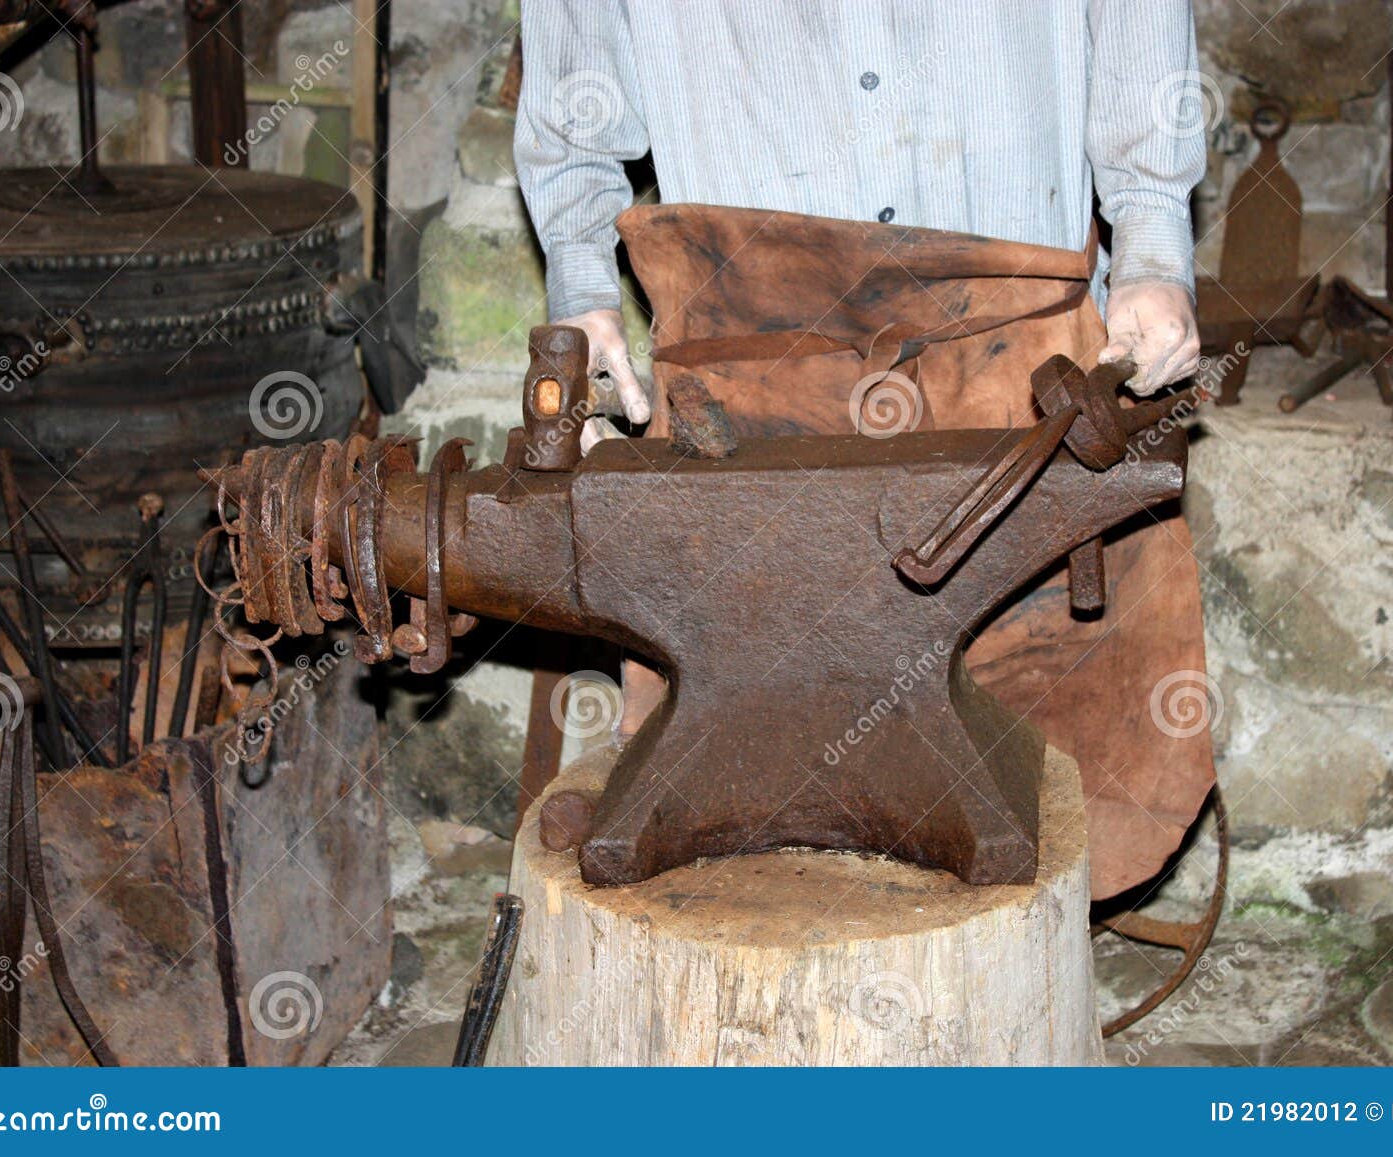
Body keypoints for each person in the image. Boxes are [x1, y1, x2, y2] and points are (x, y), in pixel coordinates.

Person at [514, 0, 1213, 901]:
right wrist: (580, 282)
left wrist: (1153, 244)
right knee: (741, 825)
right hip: (750, 370)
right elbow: (576, 49)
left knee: (1058, 769)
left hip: (1013, 355)